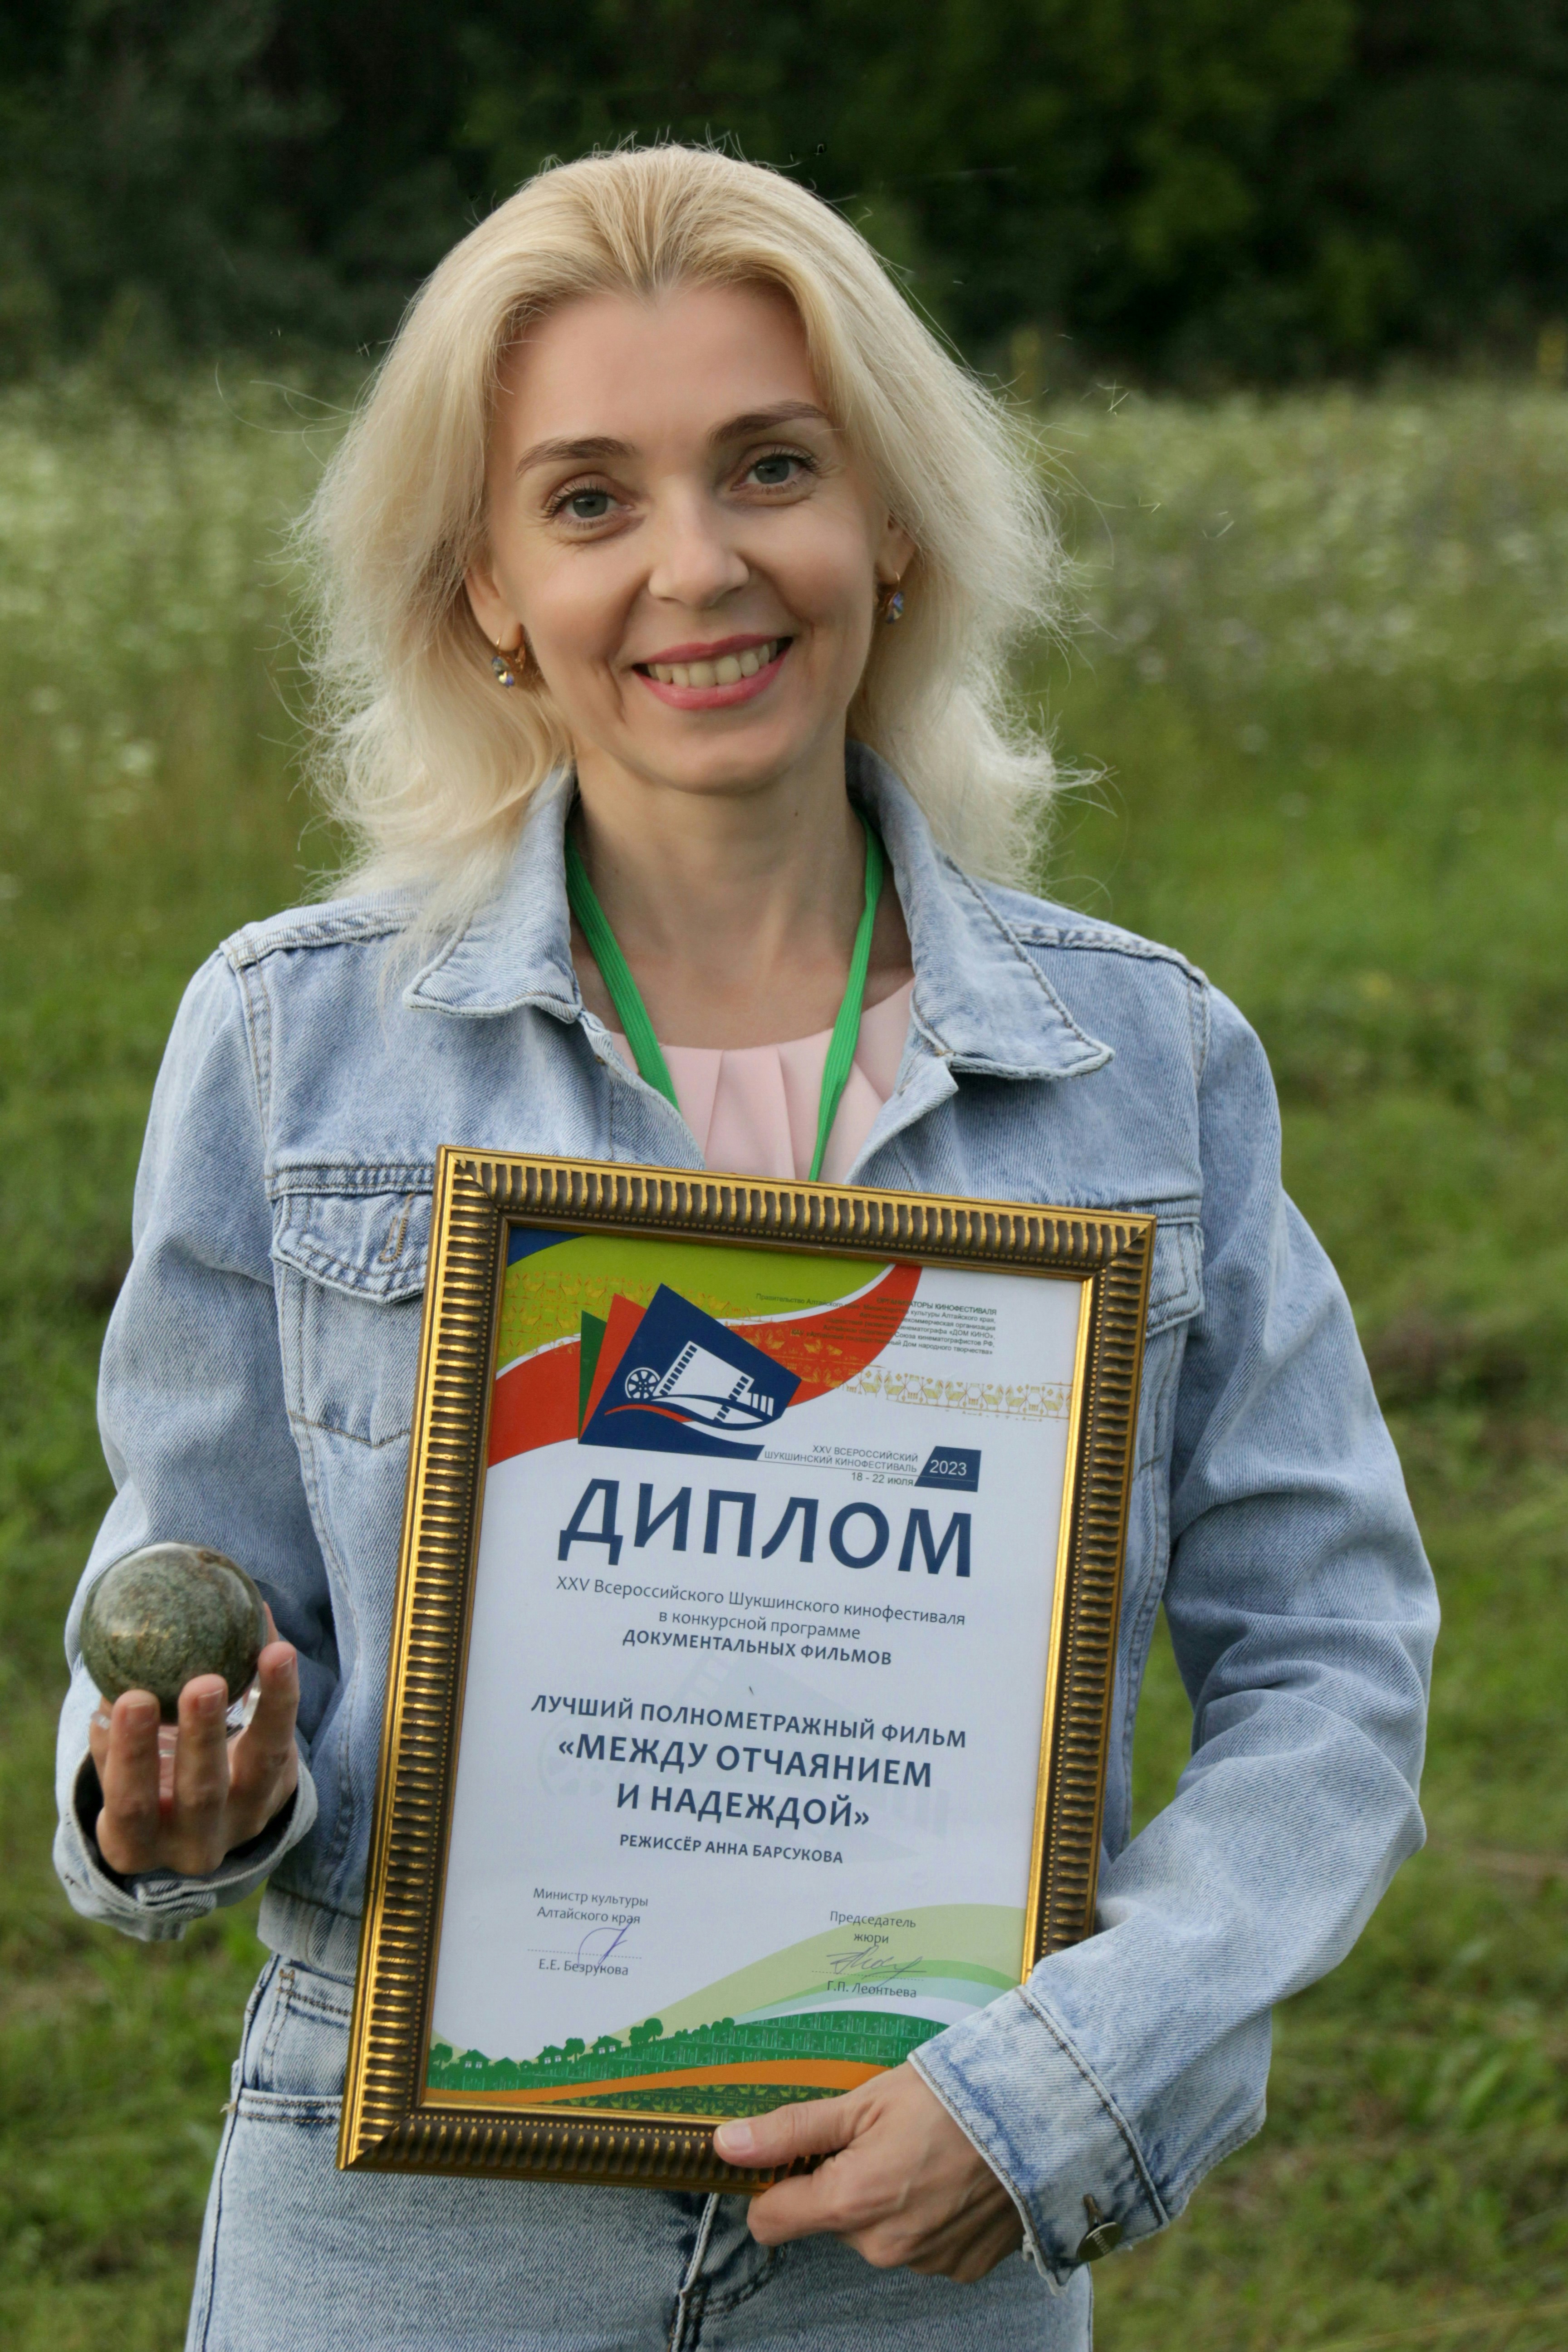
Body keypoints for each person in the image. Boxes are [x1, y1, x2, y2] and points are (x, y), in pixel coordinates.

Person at [53, 145, 1437, 2352]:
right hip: (407, 2230)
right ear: (487, 586)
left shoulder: (1145, 1068)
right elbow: (194, 1602)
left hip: (927, 2228)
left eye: (769, 467)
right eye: (589, 500)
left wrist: (1052, 2089)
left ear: (890, 520)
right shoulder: (288, 1045)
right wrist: (174, 1797)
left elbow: (1333, 1668)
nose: (697, 568)